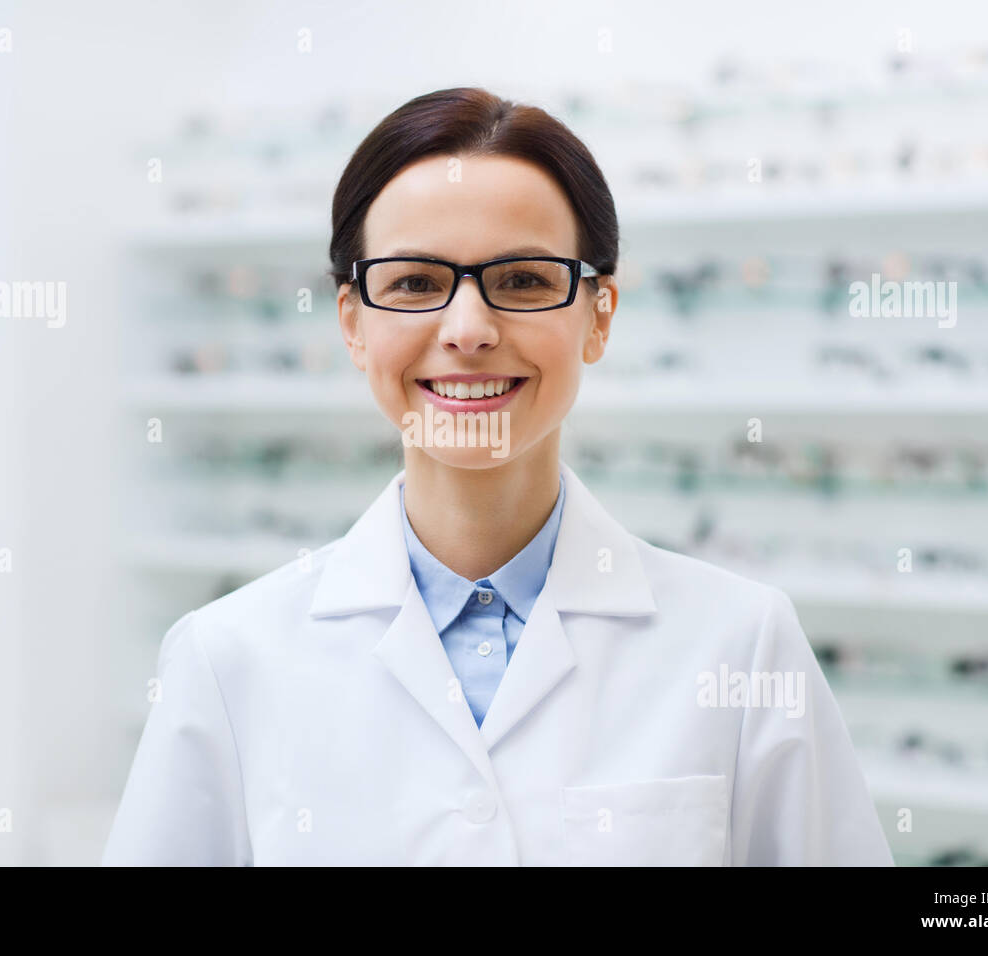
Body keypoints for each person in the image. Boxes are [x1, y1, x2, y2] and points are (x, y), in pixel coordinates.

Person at [102, 87, 893, 866]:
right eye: (414, 283)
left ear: (599, 315)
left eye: (522, 281)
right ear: (352, 321)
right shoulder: (229, 657)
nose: (469, 330)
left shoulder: (742, 644)